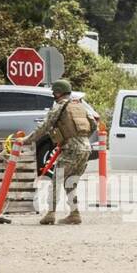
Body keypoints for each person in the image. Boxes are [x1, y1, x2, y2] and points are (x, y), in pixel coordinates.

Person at [20, 79, 97, 226]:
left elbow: (44, 127)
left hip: (71, 148)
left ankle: (50, 214)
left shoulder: (59, 107)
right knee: (71, 182)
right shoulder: (80, 106)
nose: (53, 95)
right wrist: (80, 138)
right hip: (86, 148)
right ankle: (74, 214)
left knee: (57, 179)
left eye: (54, 92)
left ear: (58, 92)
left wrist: (27, 140)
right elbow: (93, 125)